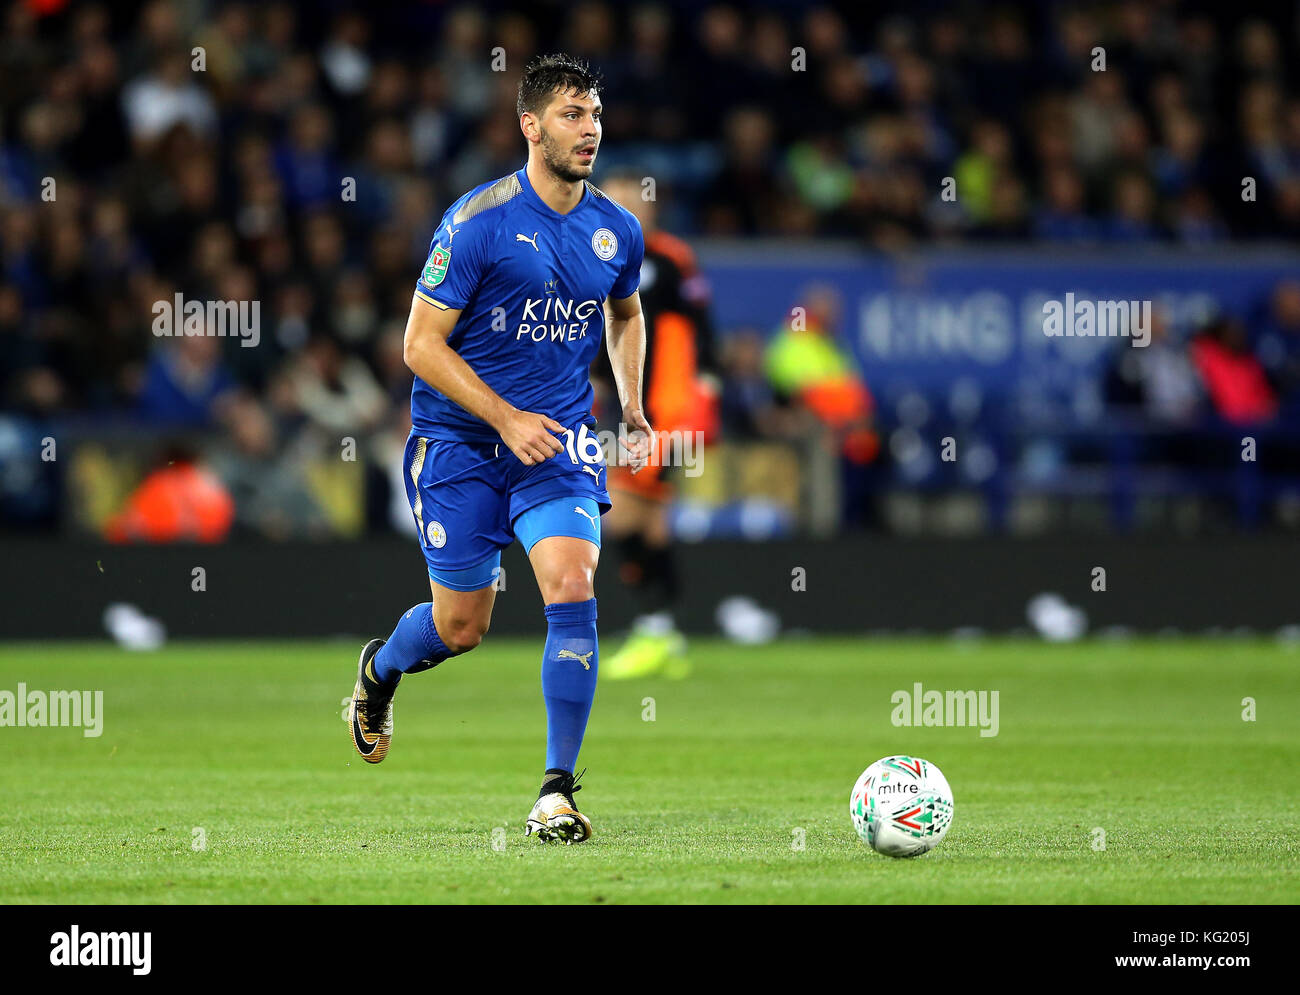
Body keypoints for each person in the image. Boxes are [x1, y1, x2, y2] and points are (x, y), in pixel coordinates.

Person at [347, 54, 648, 845]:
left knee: (571, 578)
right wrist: (504, 416)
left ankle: (556, 789)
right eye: (571, 116)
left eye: (595, 114)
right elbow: (419, 345)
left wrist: (635, 401)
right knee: (461, 628)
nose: (590, 131)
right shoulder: (477, 222)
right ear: (530, 125)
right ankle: (379, 672)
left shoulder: (616, 229)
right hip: (459, 443)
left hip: (555, 438)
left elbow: (625, 314)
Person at [593, 172, 718, 681]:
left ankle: (654, 628)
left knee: (618, 516)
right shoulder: (597, 254)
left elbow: (702, 329)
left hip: (663, 411)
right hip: (624, 408)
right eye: (615, 200)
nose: (625, 208)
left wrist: (706, 389)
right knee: (650, 522)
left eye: (633, 200)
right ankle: (664, 632)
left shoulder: (670, 259)